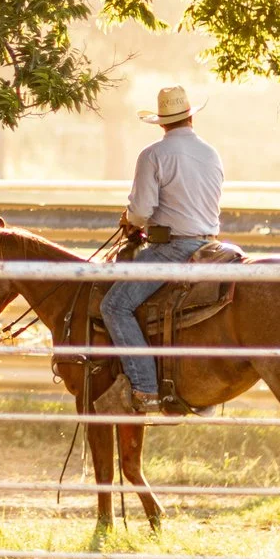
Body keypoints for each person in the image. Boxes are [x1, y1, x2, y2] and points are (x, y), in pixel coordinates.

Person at [103, 84, 225, 414]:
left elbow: (141, 211)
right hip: (212, 247)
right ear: (189, 117)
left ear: (161, 123)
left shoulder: (154, 155)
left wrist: (129, 220)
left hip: (174, 248)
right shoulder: (211, 153)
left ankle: (145, 387)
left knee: (114, 306)